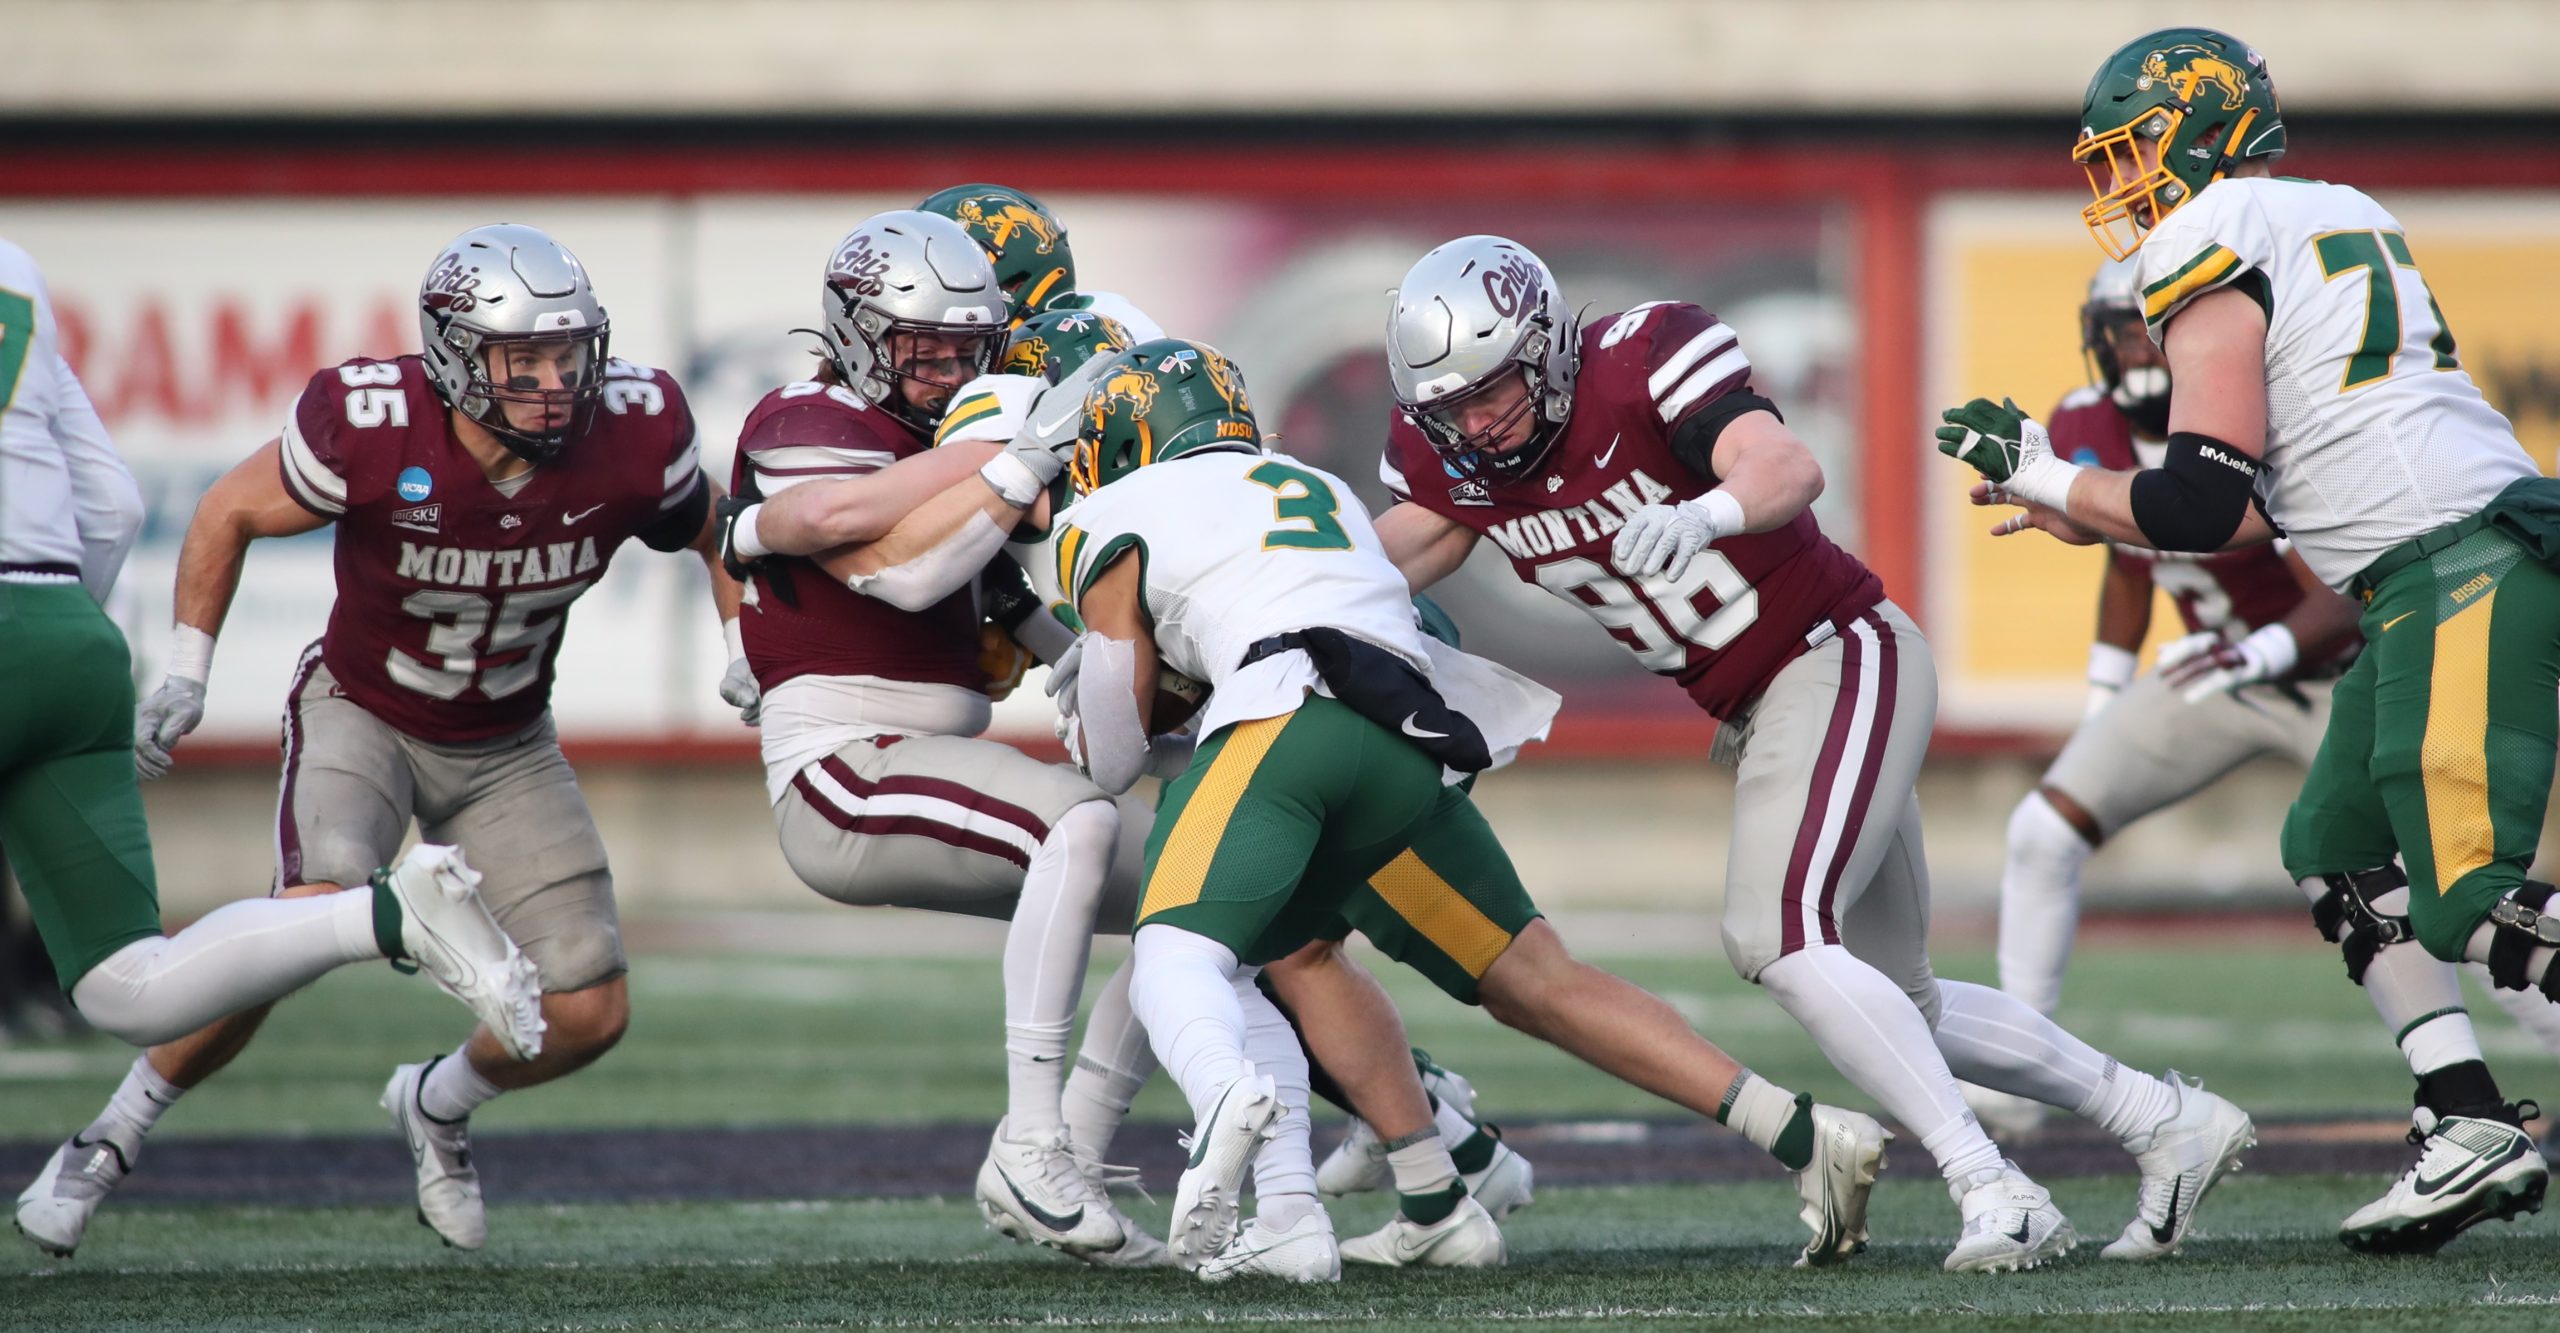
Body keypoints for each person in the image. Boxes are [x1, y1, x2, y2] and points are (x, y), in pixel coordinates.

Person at [1374, 234, 2256, 1271]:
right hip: (1762, 703)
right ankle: (2164, 1119)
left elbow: (1785, 463)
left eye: (1495, 390)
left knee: (1776, 934)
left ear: (1550, 348)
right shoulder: (1449, 463)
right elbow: (1392, 549)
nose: (1478, 423)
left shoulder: (1641, 356)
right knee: (1900, 992)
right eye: (1452, 408)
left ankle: (1991, 1185)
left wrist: (1705, 510)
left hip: (1836, 651)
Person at [1939, 26, 2558, 1253]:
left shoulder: (2202, 238)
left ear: (2200, 130)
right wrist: (2086, 505)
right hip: (2433, 560)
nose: (2119, 187)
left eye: (2132, 153)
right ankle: (2466, 1118)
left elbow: (2199, 501)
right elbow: (2281, 476)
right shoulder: (2333, 207)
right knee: (2331, 845)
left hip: (2454, 564)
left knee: (2466, 898)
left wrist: (2044, 471)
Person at [5, 234, 551, 1258]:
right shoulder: (18, 268)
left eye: (565, 356)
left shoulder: (629, 429)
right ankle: (386, 915)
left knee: (586, 1004)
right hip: (75, 642)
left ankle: (406, 964)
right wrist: (80, 643)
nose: (552, 382)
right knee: (135, 982)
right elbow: (118, 506)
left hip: (505, 736)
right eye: (525, 359)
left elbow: (701, 520)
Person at [1967, 257, 2366, 1134]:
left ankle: (2471, 1091)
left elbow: (2342, 585)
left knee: (2430, 883)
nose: (2133, 350)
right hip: (2218, 669)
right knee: (2042, 829)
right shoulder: (2085, 421)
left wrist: (2261, 649)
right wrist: (2106, 691)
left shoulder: (2252, 409)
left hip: (2343, 673)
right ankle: (2017, 1076)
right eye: (2118, 331)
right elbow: (2127, 554)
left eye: (2149, 329)